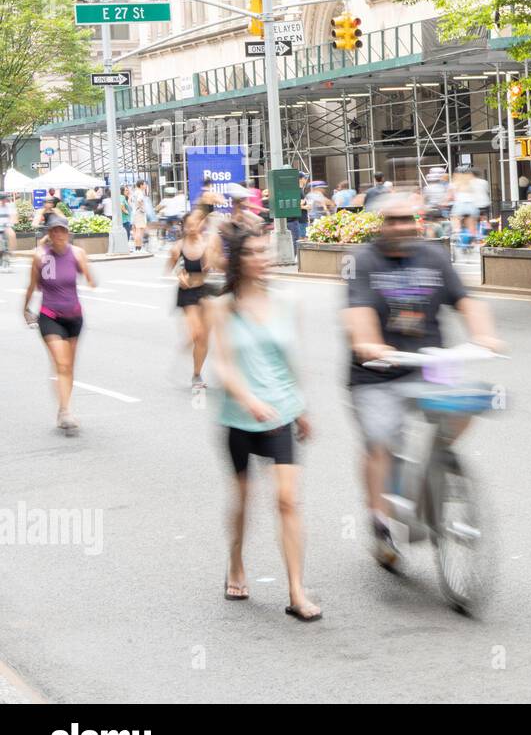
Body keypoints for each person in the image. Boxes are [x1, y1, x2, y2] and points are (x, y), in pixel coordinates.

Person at [342, 192, 503, 570]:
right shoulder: (363, 262)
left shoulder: (434, 256)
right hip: (376, 374)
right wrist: (368, 344)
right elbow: (358, 313)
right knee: (380, 440)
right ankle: (380, 522)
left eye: (407, 219)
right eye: (392, 220)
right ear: (381, 225)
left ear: (419, 221)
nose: (401, 227)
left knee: (464, 407)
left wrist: (486, 336)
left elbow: (467, 301)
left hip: (428, 366)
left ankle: (437, 469)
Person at [210, 226, 320, 621]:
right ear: (239, 260)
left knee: (288, 501)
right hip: (240, 417)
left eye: (265, 251)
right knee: (243, 499)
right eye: (254, 251)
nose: (263, 257)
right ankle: (236, 561)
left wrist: (302, 407)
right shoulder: (223, 306)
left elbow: (292, 360)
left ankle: (296, 591)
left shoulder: (288, 303)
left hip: (282, 413)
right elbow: (222, 364)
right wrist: (249, 399)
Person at [21, 214, 96, 432]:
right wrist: (25, 308)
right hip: (49, 315)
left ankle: (63, 408)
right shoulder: (39, 256)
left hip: (74, 317)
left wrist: (88, 273)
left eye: (62, 230)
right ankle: (66, 412)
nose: (58, 234)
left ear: (67, 233)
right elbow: (32, 286)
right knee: (62, 364)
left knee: (68, 366)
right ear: (49, 234)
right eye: (54, 231)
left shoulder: (77, 253)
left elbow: (89, 279)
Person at [168, 208, 222, 392]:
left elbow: (217, 263)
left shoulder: (207, 243)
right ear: (184, 227)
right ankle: (187, 343)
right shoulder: (178, 247)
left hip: (205, 290)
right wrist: (178, 274)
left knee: (203, 339)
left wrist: (212, 262)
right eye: (189, 225)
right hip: (187, 293)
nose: (192, 227)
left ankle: (196, 374)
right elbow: (170, 268)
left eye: (196, 223)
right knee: (196, 333)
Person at [129, 181, 149, 252]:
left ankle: (136, 248)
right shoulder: (140, 192)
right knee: (139, 231)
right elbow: (139, 201)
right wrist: (143, 209)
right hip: (139, 213)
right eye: (145, 184)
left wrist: (134, 208)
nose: (146, 186)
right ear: (141, 185)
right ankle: (139, 248)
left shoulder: (134, 192)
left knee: (135, 231)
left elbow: (130, 202)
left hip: (134, 213)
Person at [0, 194, 17, 260]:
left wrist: (10, 223)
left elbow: (14, 217)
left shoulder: (10, 206)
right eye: (1, 200)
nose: (2, 201)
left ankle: (11, 252)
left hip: (7, 226)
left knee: (12, 234)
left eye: (4, 199)